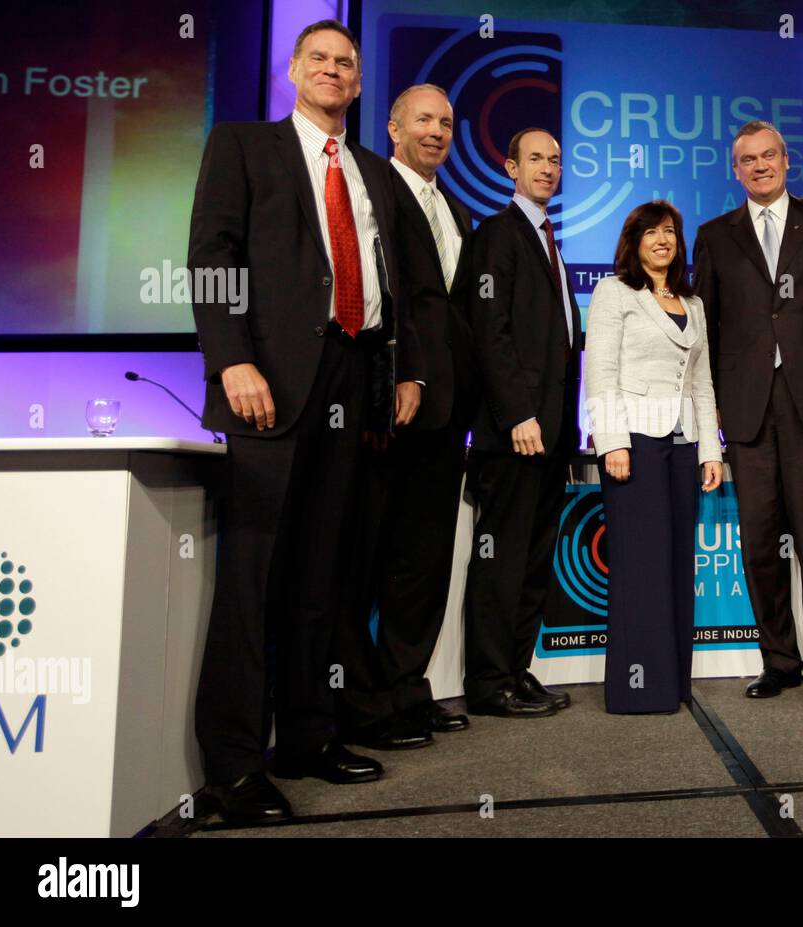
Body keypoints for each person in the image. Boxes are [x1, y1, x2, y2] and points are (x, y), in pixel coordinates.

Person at [188, 20, 415, 824]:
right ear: (293, 71)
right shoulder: (243, 146)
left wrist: (396, 377)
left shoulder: (372, 172)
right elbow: (212, 256)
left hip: (352, 385)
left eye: (345, 63)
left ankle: (309, 736)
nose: (332, 70)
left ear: (358, 83)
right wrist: (231, 359)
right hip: (268, 386)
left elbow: (391, 287)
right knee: (253, 585)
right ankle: (234, 767)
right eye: (317, 58)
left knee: (323, 577)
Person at [693, 120, 803, 701]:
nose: (760, 166)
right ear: (734, 170)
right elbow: (704, 329)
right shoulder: (714, 236)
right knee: (760, 542)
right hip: (746, 408)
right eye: (748, 160)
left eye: (770, 156)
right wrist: (706, 406)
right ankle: (779, 660)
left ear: (787, 162)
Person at [334, 83, 474, 749]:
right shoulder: (372, 189)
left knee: (423, 561)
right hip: (391, 403)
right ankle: (360, 703)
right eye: (424, 119)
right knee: (369, 555)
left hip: (448, 414)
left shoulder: (456, 208)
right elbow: (381, 296)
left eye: (446, 122)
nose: (437, 131)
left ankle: (405, 688)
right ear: (394, 127)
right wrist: (400, 375)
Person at [585, 202, 724, 714]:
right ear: (634, 241)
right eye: (651, 232)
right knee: (640, 565)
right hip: (636, 443)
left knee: (675, 564)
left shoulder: (694, 302)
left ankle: (671, 684)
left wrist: (711, 448)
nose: (662, 239)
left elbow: (703, 383)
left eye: (669, 232)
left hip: (683, 444)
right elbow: (599, 372)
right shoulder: (614, 292)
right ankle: (637, 688)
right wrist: (612, 441)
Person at [463, 128, 581, 717]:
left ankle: (517, 669)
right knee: (501, 559)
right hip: (516, 433)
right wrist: (518, 414)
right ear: (511, 167)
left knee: (535, 557)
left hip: (553, 434)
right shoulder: (497, 235)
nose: (547, 168)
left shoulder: (550, 241)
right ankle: (488, 682)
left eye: (555, 160)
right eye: (536, 158)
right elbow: (490, 334)